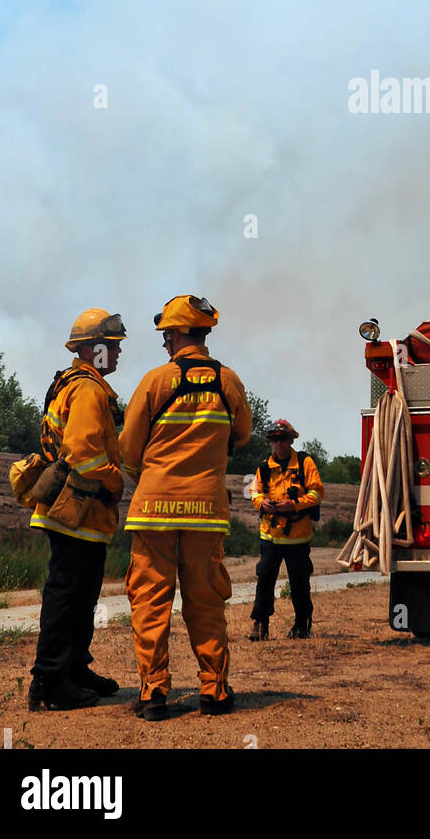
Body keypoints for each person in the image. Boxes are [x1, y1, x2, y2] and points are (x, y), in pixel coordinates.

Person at [120, 295, 251, 720]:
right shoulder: (229, 382)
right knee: (206, 600)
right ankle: (214, 690)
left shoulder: (155, 381)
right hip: (206, 510)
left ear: (176, 334)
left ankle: (154, 693)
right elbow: (243, 434)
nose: (164, 343)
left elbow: (128, 448)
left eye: (166, 336)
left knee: (150, 600)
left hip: (154, 508)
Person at [28, 309, 127, 712]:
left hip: (78, 510)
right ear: (92, 349)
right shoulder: (87, 389)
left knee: (81, 594)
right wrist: (116, 481)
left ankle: (72, 668)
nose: (118, 353)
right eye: (112, 346)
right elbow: (84, 453)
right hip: (77, 508)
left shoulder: (75, 383)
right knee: (67, 594)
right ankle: (50, 682)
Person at [249, 420, 324, 640]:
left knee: (300, 583)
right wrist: (261, 503)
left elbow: (317, 492)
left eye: (282, 439)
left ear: (291, 440)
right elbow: (255, 493)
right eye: (274, 440)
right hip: (270, 535)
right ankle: (260, 624)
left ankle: (302, 625)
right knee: (264, 580)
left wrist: (294, 505)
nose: (278, 444)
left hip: (298, 537)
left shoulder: (305, 463)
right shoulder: (263, 467)